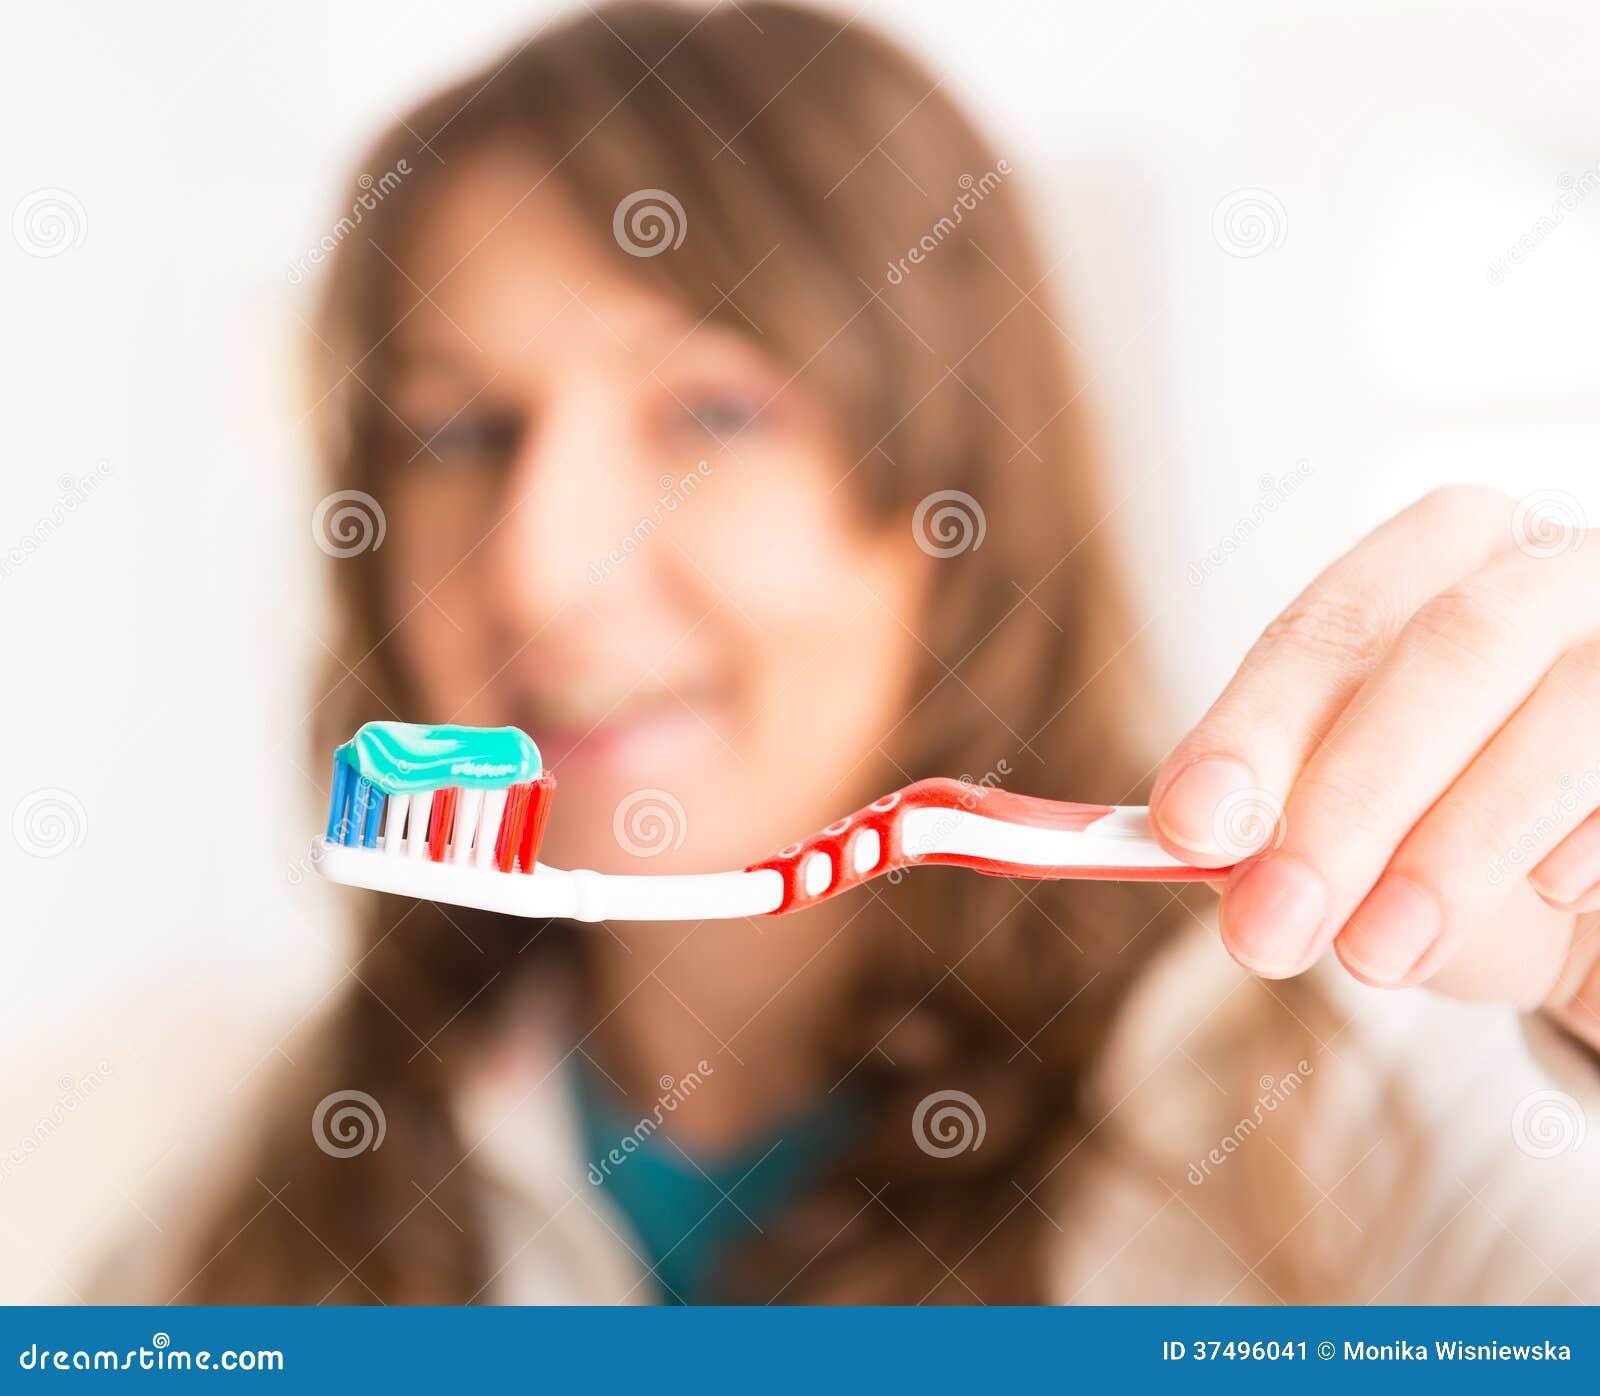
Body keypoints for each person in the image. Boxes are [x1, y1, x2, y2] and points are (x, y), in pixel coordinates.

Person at [132, 0, 1600, 1304]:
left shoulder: (1360, 1123)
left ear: (957, 506)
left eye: (708, 412)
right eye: (456, 434)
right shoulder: (197, 1178)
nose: (537, 566)